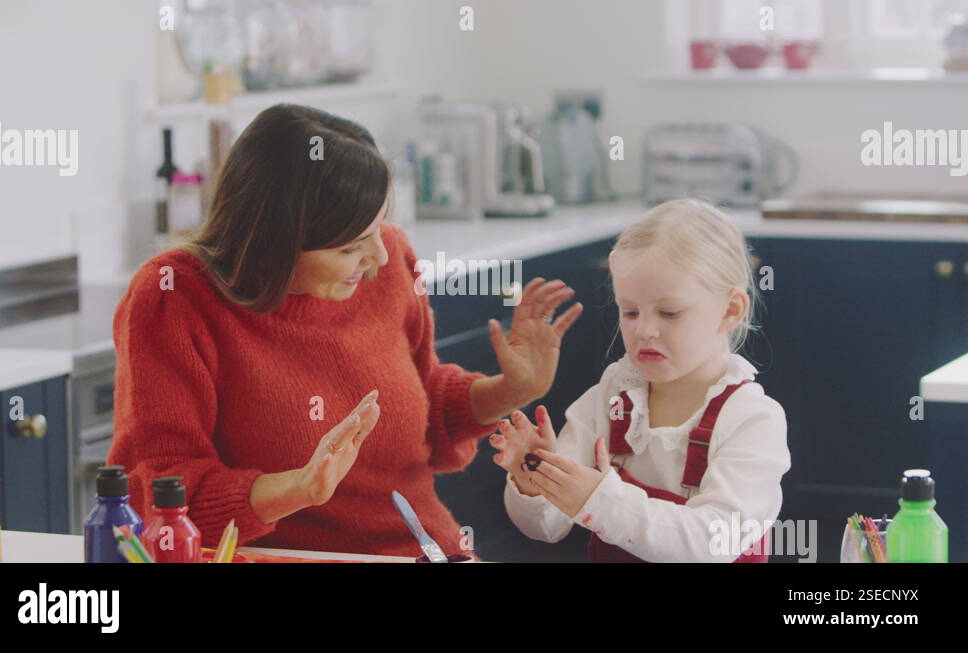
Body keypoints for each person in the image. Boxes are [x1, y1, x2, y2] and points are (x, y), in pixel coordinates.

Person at [108, 104, 583, 558]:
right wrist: (296, 489)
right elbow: (159, 490)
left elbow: (419, 397)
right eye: (352, 246)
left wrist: (509, 390)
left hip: (425, 552)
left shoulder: (390, 259)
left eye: (380, 228)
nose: (379, 256)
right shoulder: (174, 297)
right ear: (275, 242)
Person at [493, 198, 791, 562]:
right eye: (630, 311)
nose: (644, 330)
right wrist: (535, 480)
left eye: (669, 312)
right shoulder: (612, 396)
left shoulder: (753, 420)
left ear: (729, 311)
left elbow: (714, 542)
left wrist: (600, 500)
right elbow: (546, 527)